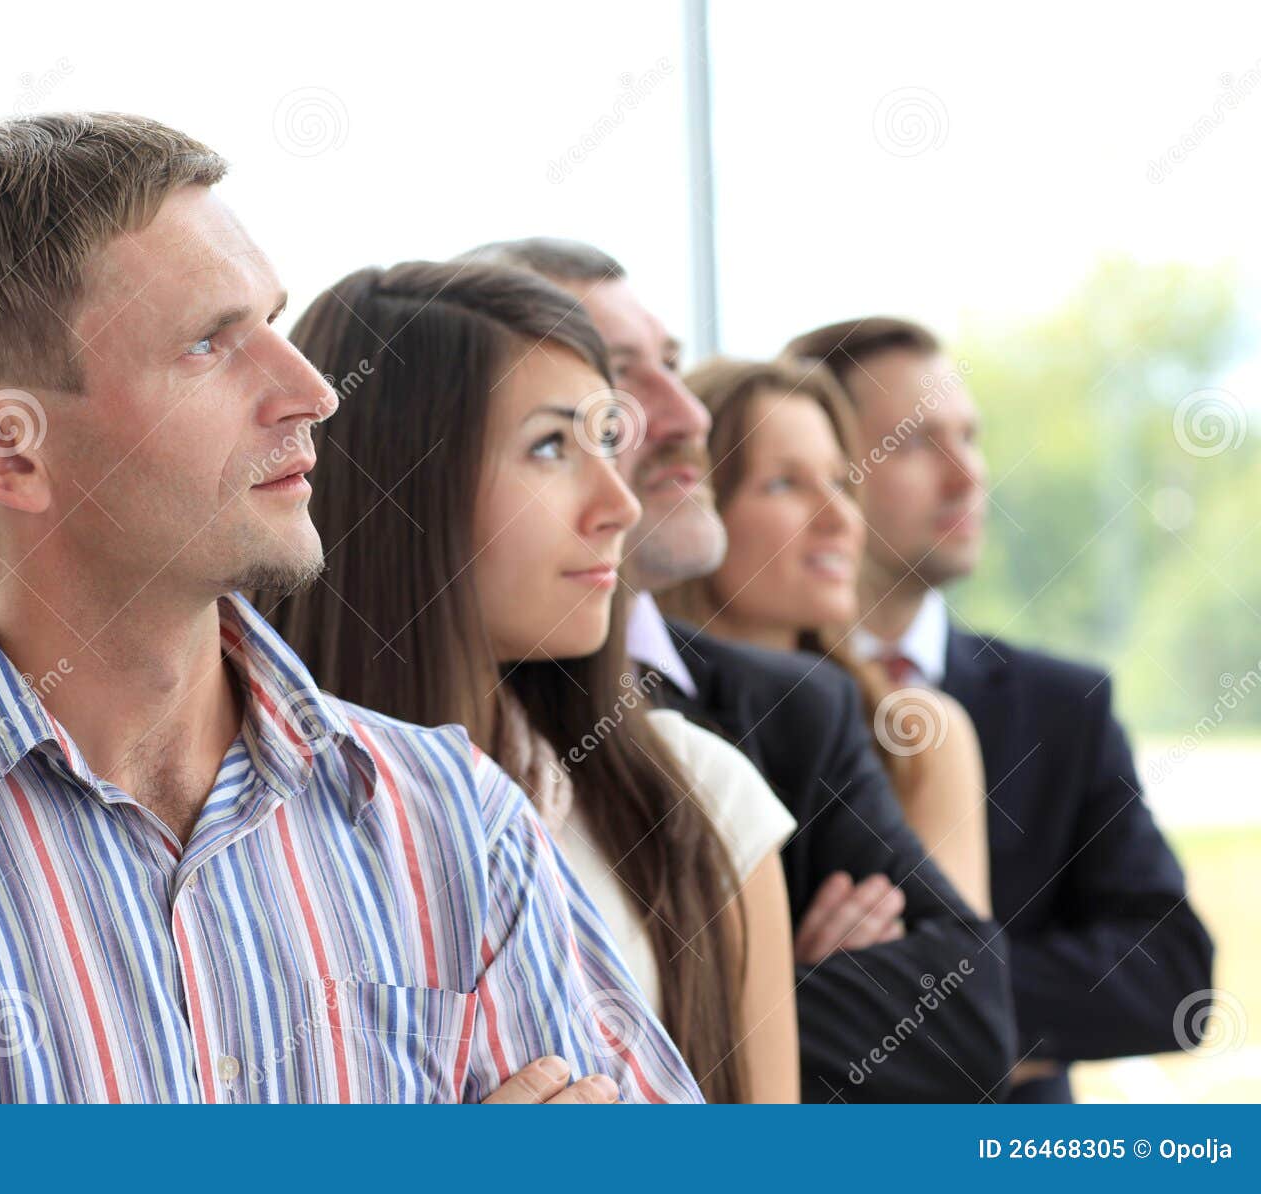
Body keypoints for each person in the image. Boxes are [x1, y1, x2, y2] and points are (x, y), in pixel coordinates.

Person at [0, 113, 703, 1105]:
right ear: (7, 449)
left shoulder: (454, 817)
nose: (313, 392)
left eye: (272, 324)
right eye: (211, 345)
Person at [462, 238, 1017, 1102]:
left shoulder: (798, 711)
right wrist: (758, 981)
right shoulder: (392, 728)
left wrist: (737, 998)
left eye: (672, 363)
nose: (684, 412)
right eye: (617, 375)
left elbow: (969, 1015)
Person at [264, 260, 800, 1102]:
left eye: (607, 442)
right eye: (551, 447)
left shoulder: (701, 799)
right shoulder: (232, 830)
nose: (619, 503)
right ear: (403, 484)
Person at [784, 315, 1217, 1102]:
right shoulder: (751, 705)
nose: (967, 476)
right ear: (828, 468)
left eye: (970, 437)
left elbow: (1170, 973)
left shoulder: (1063, 706)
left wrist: (907, 1001)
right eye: (916, 443)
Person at [657, 356, 990, 916]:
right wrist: (824, 961)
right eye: (784, 484)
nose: (839, 518)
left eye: (839, 481)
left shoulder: (917, 737)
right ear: (700, 508)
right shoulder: (645, 731)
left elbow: (962, 960)